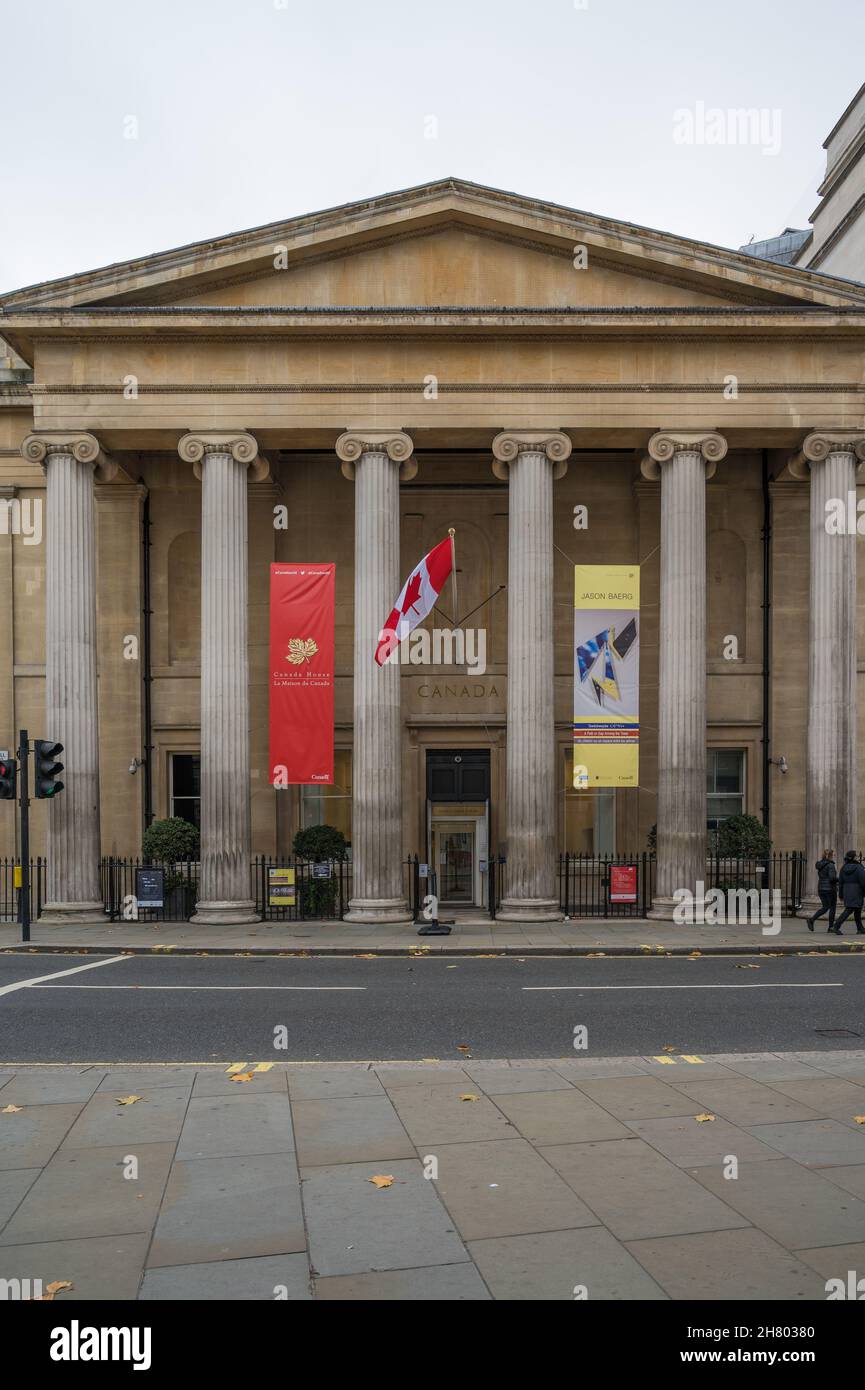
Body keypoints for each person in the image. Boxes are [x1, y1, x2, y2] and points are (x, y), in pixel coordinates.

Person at [833, 851, 865, 936]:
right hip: (857, 891)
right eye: (856, 856)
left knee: (857, 910)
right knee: (850, 909)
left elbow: (841, 882)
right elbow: (863, 881)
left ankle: (860, 928)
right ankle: (836, 926)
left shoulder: (843, 868)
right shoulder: (859, 867)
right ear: (854, 857)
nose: (858, 857)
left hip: (847, 890)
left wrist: (841, 894)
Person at [807, 849, 838, 932]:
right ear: (830, 856)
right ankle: (831, 927)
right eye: (833, 855)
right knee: (832, 907)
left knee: (825, 907)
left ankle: (812, 920)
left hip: (821, 888)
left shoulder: (820, 864)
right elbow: (832, 878)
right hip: (830, 889)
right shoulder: (830, 865)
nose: (834, 856)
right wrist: (840, 879)